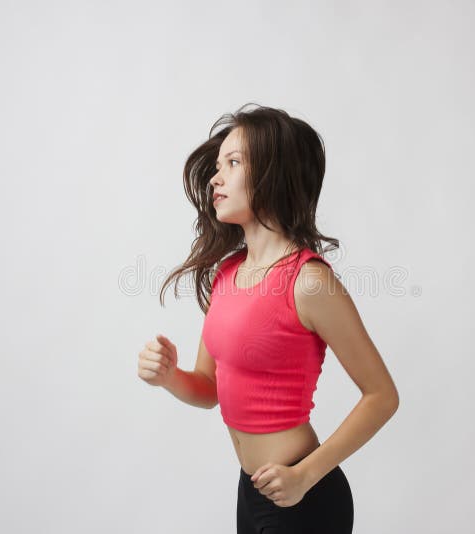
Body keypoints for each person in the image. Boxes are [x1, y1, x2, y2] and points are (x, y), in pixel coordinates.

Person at [139, 103, 399, 533]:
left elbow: (382, 396)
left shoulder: (309, 281)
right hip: (252, 491)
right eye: (217, 166)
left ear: (271, 174)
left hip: (304, 497)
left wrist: (305, 476)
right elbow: (209, 388)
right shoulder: (227, 273)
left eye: (233, 163)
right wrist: (169, 377)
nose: (216, 178)